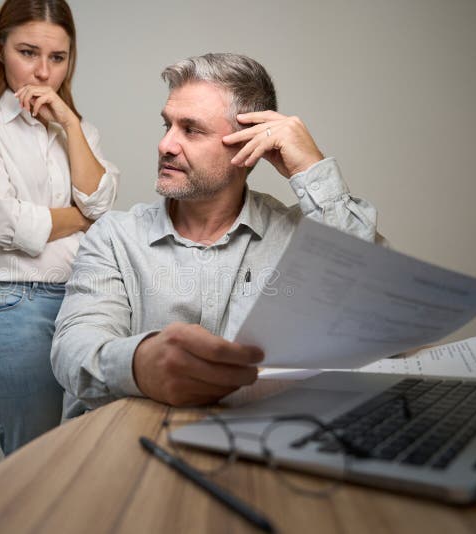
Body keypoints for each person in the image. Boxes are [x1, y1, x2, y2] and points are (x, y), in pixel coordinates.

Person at [51, 53, 380, 418]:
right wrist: (140, 364)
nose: (166, 145)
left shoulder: (301, 237)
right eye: (167, 126)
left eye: (191, 129)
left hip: (259, 444)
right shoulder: (114, 237)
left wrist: (311, 168)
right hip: (129, 443)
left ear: (247, 147)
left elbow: (374, 307)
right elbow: (73, 349)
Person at [0, 0, 119, 455]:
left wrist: (71, 124)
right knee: (36, 463)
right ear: (0, 49)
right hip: (15, 306)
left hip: (88, 299)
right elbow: (4, 223)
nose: (43, 72)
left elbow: (100, 198)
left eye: (57, 58)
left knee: (91, 453)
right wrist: (83, 217)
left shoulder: (78, 132)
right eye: (27, 52)